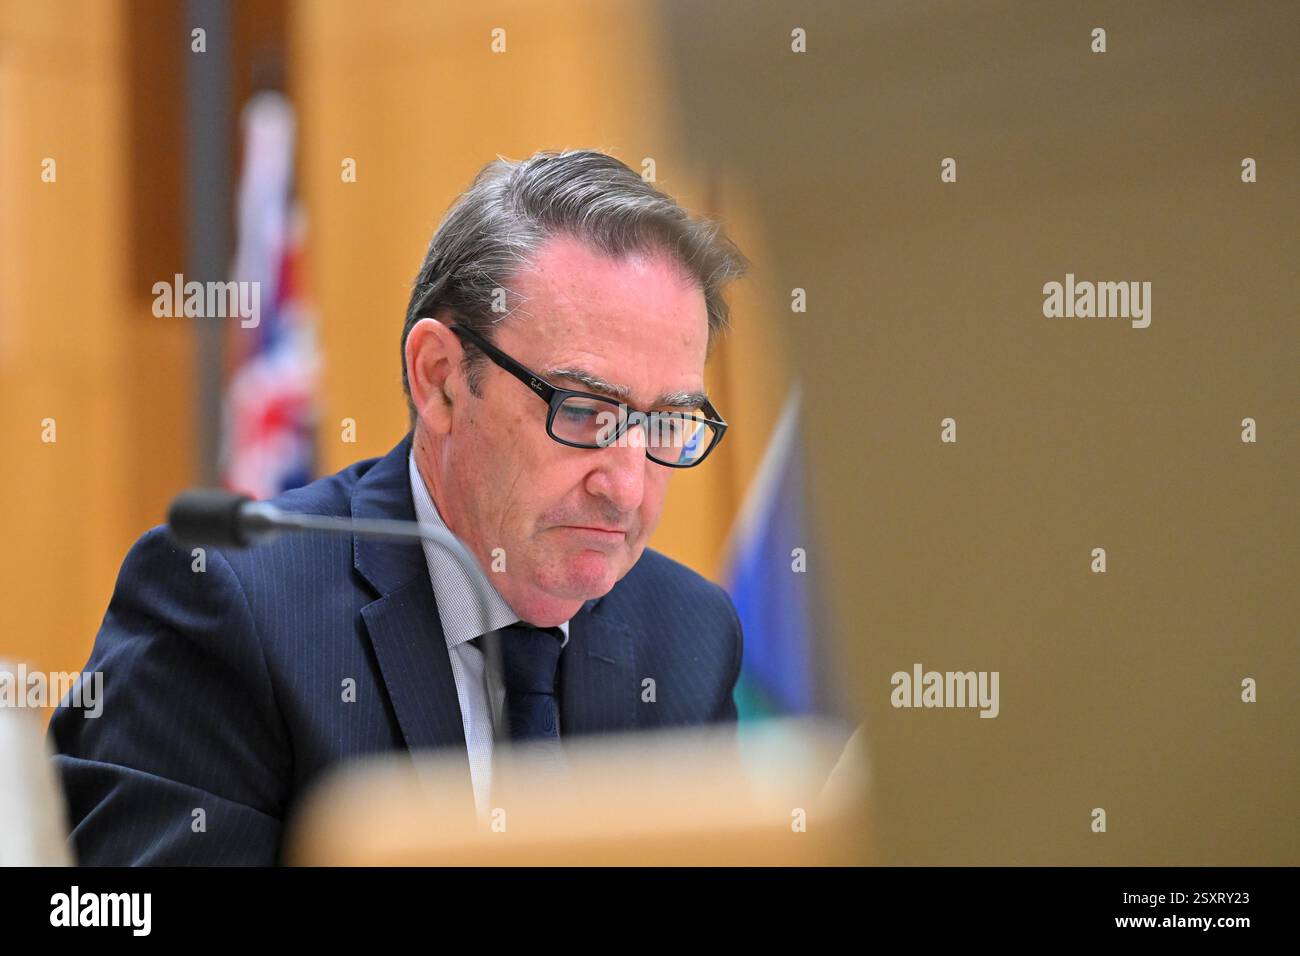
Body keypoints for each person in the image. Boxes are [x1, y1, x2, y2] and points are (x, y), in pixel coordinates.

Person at [48, 148, 751, 865]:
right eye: (584, 411)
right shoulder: (231, 611)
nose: (627, 488)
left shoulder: (687, 637)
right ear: (441, 380)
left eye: (667, 423)